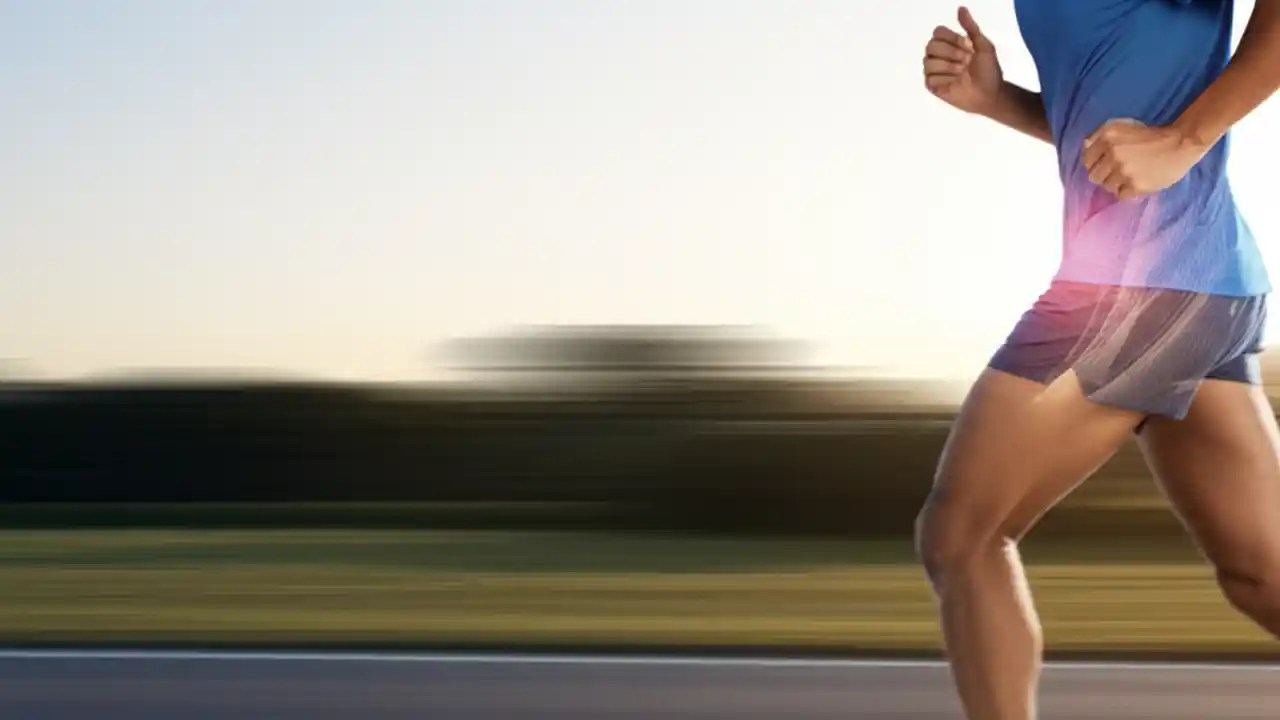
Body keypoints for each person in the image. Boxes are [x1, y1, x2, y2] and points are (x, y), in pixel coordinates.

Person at [917, 2, 1280, 718]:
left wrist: (1184, 138)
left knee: (965, 534)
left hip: (1141, 282)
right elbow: (1111, 126)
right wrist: (1000, 101)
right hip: (1199, 282)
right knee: (1262, 573)